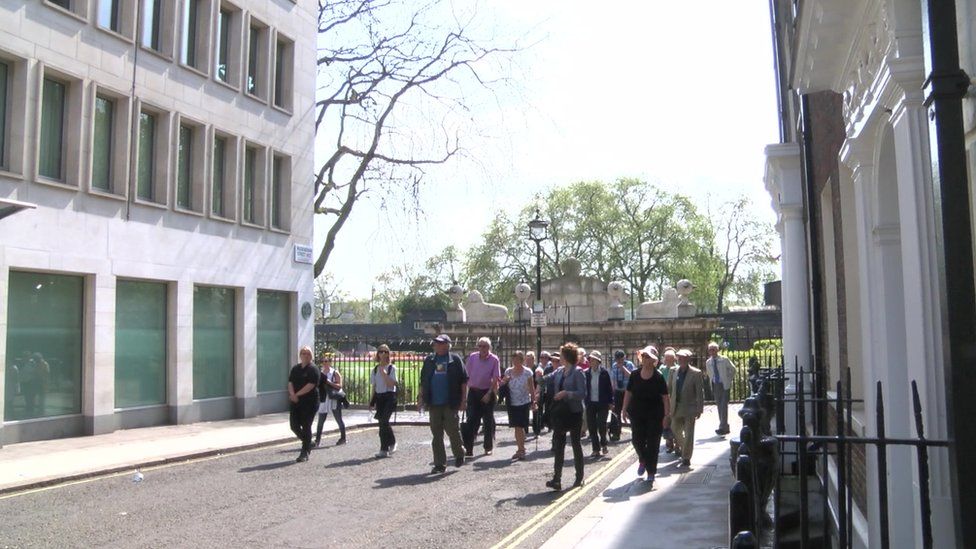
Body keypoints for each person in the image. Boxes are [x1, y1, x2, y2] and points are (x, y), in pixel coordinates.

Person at [418, 334, 468, 474]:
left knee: (453, 430)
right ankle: (440, 464)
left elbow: (464, 381)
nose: (437, 345)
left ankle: (459, 453)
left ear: (447, 345)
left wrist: (464, 400)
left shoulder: (455, 360)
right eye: (435, 343)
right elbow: (423, 381)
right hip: (434, 402)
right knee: (436, 434)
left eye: (440, 343)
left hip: (450, 402)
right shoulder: (429, 360)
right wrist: (421, 398)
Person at [621, 346, 671, 486]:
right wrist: (624, 409)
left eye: (648, 357)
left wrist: (667, 415)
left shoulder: (658, 377)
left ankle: (651, 472)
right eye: (643, 356)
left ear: (653, 360)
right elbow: (628, 393)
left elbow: (665, 397)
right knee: (637, 440)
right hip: (637, 414)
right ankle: (642, 459)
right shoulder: (634, 375)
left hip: (655, 415)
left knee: (653, 444)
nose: (645, 359)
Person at [545, 343, 586, 491]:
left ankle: (579, 477)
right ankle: (557, 479)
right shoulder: (560, 371)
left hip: (574, 413)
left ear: (567, 357)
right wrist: (535, 378)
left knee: (575, 444)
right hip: (560, 413)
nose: (559, 357)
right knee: (559, 445)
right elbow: (547, 379)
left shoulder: (578, 372)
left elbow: (582, 393)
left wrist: (566, 393)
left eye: (561, 355)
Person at [462, 337, 501, 456]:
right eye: (480, 346)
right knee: (471, 420)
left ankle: (488, 446)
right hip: (474, 392)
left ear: (489, 347)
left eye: (485, 346)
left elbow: (496, 378)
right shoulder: (473, 357)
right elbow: (466, 374)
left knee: (488, 420)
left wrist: (489, 393)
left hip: (487, 392)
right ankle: (469, 448)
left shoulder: (494, 359)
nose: (482, 348)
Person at [668, 349, 705, 466]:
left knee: (689, 433)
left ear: (688, 359)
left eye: (683, 358)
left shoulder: (696, 373)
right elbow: (669, 389)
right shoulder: (673, 371)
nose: (680, 360)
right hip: (676, 406)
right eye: (679, 358)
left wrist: (699, 409)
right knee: (675, 428)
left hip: (690, 408)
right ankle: (686, 449)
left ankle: (686, 457)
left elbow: (700, 392)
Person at [500, 351, 537, 460]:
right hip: (512, 402)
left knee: (519, 426)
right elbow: (502, 384)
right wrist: (505, 380)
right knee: (517, 427)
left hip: (524, 402)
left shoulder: (528, 372)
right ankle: (521, 448)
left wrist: (534, 402)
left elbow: (532, 388)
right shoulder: (508, 371)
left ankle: (521, 449)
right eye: (513, 359)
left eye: (517, 359)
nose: (515, 362)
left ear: (522, 360)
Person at [288, 346, 320, 463]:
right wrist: (292, 394)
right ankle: (308, 441)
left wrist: (297, 394)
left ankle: (305, 452)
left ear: (311, 356)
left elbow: (311, 385)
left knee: (306, 426)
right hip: (296, 402)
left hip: (309, 402)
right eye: (303, 353)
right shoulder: (295, 368)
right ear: (300, 355)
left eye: (308, 353)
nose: (305, 355)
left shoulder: (313, 369)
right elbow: (290, 382)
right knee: (294, 426)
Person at [583, 350, 613, 458]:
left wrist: (611, 402)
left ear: (598, 361)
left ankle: (604, 444)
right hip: (590, 403)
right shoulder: (586, 373)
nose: (590, 361)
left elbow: (609, 388)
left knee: (601, 425)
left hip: (602, 403)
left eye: (593, 359)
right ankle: (596, 449)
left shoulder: (604, 373)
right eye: (590, 359)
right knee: (592, 426)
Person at [370, 344, 398, 458]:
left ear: (388, 354)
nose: (383, 354)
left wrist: (384, 373)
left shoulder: (392, 368)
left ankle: (384, 448)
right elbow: (374, 386)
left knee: (384, 421)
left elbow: (392, 384)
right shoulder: (375, 369)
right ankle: (390, 443)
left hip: (389, 397)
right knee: (382, 422)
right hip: (380, 397)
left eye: (385, 352)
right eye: (381, 351)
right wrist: (371, 401)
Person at [314, 355, 346, 447]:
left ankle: (343, 438)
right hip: (324, 398)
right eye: (323, 361)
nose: (324, 363)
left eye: (326, 361)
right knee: (321, 420)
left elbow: (339, 386)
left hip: (333, 398)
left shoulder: (335, 372)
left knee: (338, 419)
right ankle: (317, 440)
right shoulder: (320, 373)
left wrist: (329, 382)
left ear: (330, 362)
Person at [706, 341, 737, 435]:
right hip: (716, 385)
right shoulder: (708, 362)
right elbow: (709, 373)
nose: (712, 352)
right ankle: (725, 427)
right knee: (719, 406)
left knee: (723, 405)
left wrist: (728, 379)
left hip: (724, 385)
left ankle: (722, 427)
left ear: (717, 350)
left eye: (713, 350)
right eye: (710, 350)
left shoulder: (724, 359)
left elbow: (733, 369)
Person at [608, 350, 634, 442]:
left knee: (630, 412)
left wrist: (622, 367)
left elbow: (631, 376)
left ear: (624, 358)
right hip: (618, 392)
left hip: (628, 391)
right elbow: (613, 380)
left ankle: (635, 431)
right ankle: (616, 433)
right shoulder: (614, 366)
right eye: (618, 360)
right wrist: (613, 394)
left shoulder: (629, 364)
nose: (619, 362)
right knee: (616, 413)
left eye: (621, 359)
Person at [660, 349, 678, 453]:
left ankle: (677, 443)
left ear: (673, 359)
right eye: (666, 359)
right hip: (664, 398)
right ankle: (669, 442)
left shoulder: (677, 369)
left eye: (669, 359)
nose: (666, 361)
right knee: (666, 421)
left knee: (675, 422)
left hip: (674, 398)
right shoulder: (662, 369)